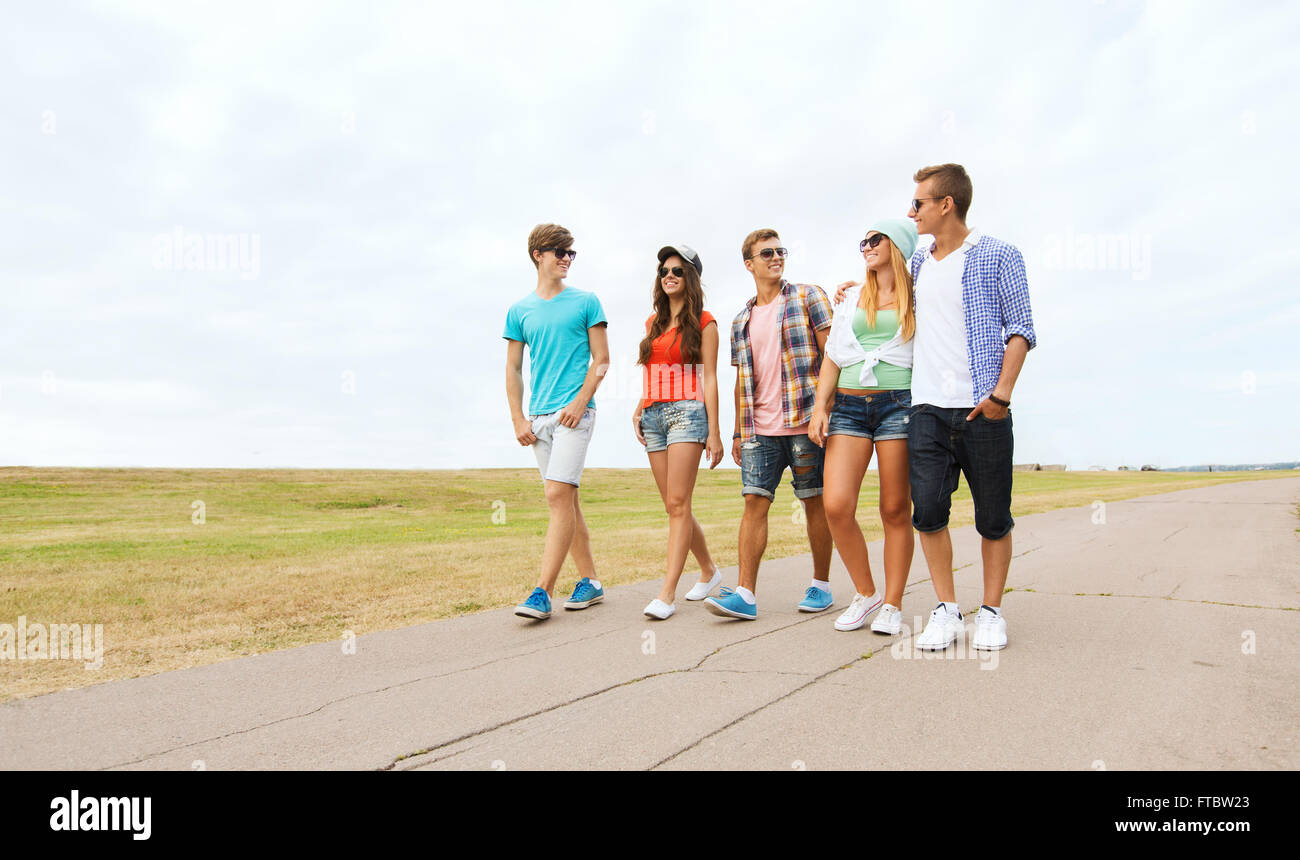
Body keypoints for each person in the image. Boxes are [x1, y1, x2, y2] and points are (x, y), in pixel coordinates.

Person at [904, 163, 1037, 650]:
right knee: (929, 511)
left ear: (947, 204)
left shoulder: (998, 255)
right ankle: (945, 608)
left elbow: (1021, 329)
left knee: (993, 516)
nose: (911, 210)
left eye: (918, 202)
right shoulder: (918, 263)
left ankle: (991, 612)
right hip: (926, 409)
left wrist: (1000, 395)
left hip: (981, 407)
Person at [704, 229, 834, 620]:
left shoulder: (809, 297)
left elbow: (834, 355)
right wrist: (738, 432)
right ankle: (745, 594)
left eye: (780, 251)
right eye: (767, 253)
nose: (776, 257)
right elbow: (742, 379)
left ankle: (822, 585)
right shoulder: (741, 319)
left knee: (813, 501)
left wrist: (825, 409)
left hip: (805, 421)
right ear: (750, 264)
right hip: (760, 428)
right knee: (753, 502)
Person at [809, 218, 919, 635]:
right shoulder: (851, 296)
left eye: (876, 240)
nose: (867, 247)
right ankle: (866, 592)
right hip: (850, 408)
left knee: (893, 509)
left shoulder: (919, 297)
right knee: (836, 505)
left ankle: (892, 604)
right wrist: (821, 407)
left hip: (899, 406)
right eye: (864, 242)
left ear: (898, 246)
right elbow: (834, 355)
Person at [504, 223, 611, 621]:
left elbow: (602, 360)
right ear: (538, 255)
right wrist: (518, 418)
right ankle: (591, 581)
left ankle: (542, 593)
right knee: (566, 500)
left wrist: (580, 403)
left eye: (571, 253)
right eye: (559, 252)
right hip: (539, 418)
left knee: (554, 496)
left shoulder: (586, 301)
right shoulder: (520, 311)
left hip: (575, 414)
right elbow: (513, 369)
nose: (567, 259)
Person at [633, 245, 725, 620]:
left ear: (691, 278)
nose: (668, 275)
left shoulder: (705, 322)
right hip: (653, 416)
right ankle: (708, 570)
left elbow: (710, 377)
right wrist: (640, 406)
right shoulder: (651, 323)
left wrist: (715, 432)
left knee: (677, 504)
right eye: (664, 271)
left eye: (677, 271)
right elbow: (652, 370)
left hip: (688, 414)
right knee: (674, 505)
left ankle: (666, 595)